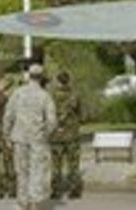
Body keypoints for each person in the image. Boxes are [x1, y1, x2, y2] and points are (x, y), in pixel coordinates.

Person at [4, 64, 57, 210]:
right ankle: (35, 201)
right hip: (37, 139)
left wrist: (7, 135)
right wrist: (45, 135)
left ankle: (23, 201)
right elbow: (52, 121)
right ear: (41, 77)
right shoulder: (45, 96)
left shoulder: (17, 93)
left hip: (19, 137)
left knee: (22, 170)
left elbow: (8, 115)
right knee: (37, 170)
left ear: (29, 76)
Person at [50, 71, 83, 199]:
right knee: (73, 163)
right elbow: (80, 113)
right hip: (72, 134)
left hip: (56, 134)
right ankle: (74, 190)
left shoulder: (51, 96)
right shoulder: (75, 95)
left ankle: (56, 190)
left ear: (58, 81)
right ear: (68, 81)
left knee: (56, 163)